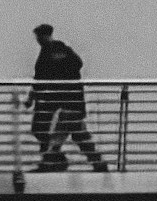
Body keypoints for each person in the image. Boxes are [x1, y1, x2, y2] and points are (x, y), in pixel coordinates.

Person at [29, 22, 104, 173]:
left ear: (41, 36)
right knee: (79, 134)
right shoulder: (65, 50)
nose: (37, 40)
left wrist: (33, 97)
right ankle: (97, 163)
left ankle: (52, 161)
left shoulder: (47, 53)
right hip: (74, 100)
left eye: (38, 37)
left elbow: (39, 78)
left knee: (58, 134)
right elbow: (78, 64)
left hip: (64, 102)